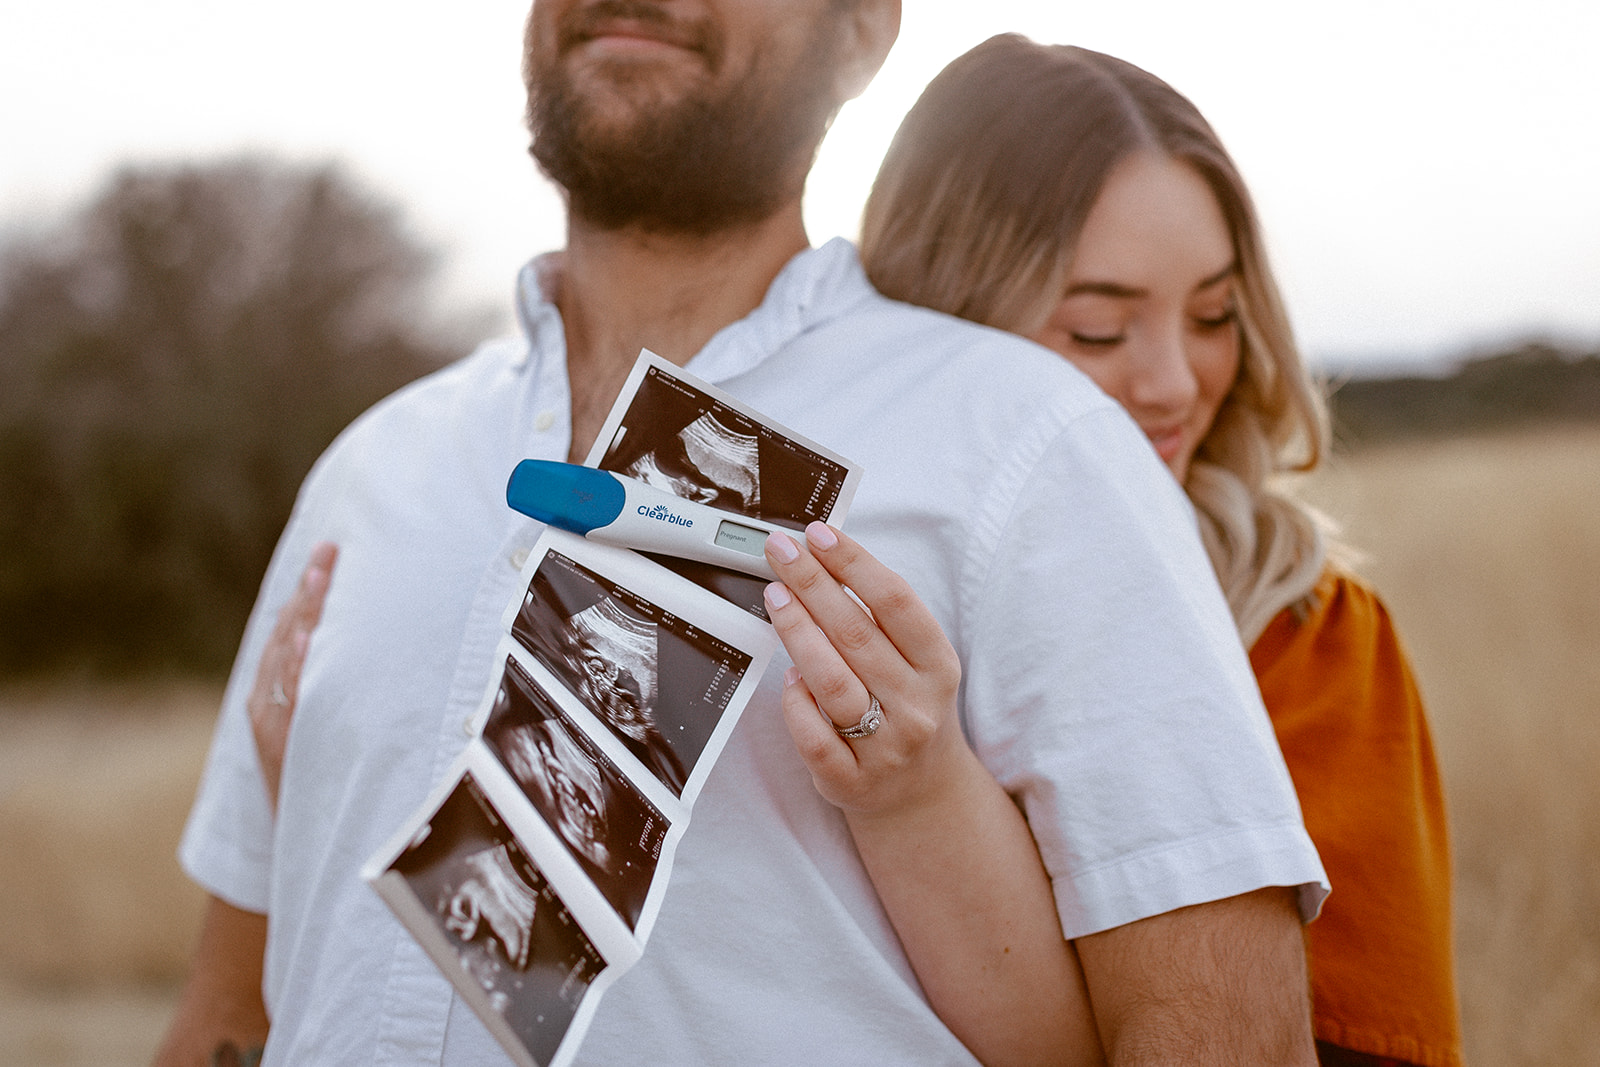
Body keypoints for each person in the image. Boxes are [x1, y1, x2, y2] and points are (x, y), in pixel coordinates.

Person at [154, 3, 1331, 1066]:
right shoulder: (370, 470)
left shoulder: (1037, 447)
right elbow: (229, 1010)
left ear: (864, 32)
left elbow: (1227, 1028)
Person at [859, 34, 1462, 1067]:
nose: (1176, 382)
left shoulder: (1303, 636)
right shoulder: (824, 605)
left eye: (1215, 314)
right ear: (941, 326)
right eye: (1098, 329)